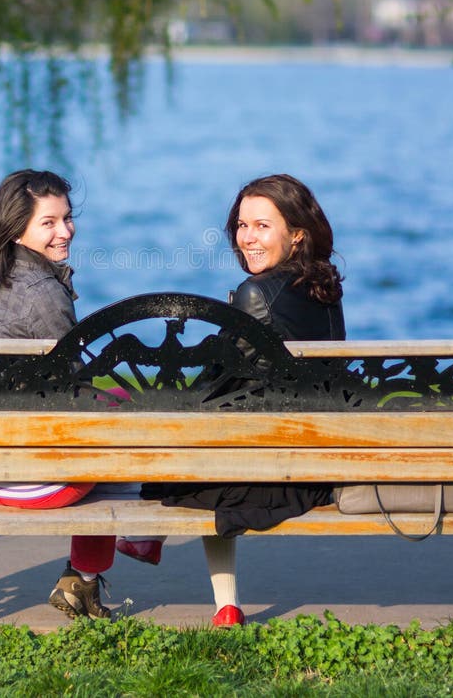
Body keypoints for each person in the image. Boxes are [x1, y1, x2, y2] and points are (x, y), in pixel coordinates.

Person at [116, 173, 345, 626]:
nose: (247, 238)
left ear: (296, 234)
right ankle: (214, 598)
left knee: (193, 456)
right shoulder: (326, 290)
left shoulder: (255, 293)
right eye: (242, 225)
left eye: (262, 226)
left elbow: (216, 389)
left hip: (269, 473)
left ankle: (205, 584)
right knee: (207, 455)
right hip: (315, 459)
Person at [0, 168, 116, 620]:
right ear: (17, 227)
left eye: (67, 219)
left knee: (116, 413)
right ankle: (85, 578)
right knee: (123, 436)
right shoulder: (42, 292)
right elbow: (75, 384)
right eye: (48, 222)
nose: (65, 231)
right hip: (35, 481)